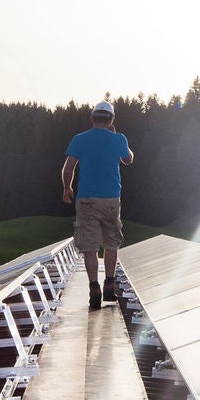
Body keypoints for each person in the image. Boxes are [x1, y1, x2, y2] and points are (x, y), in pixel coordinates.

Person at [61, 99, 134, 310]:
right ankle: (109, 282)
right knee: (111, 242)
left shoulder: (79, 139)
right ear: (111, 119)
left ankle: (94, 287)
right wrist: (118, 137)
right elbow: (128, 159)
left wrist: (67, 188)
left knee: (90, 246)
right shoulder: (119, 138)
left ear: (92, 118)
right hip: (111, 199)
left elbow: (68, 169)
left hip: (87, 200)